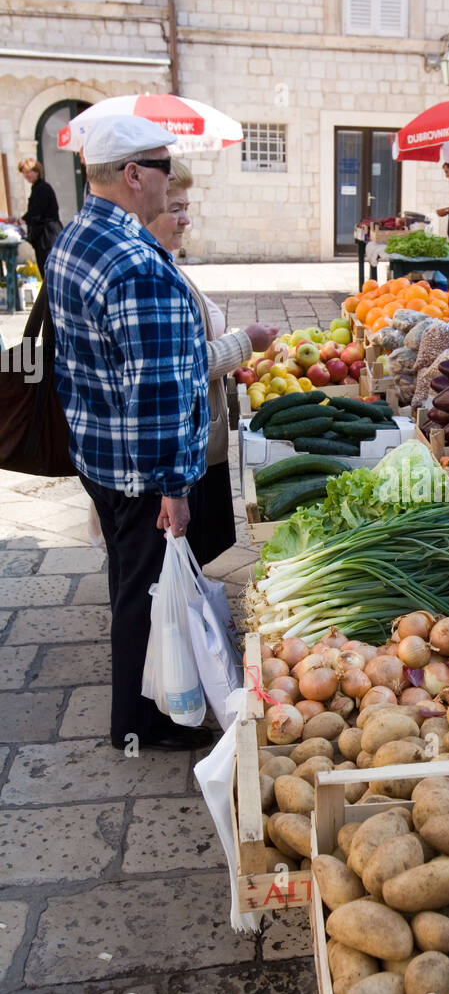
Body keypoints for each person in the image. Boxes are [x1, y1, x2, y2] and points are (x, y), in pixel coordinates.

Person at [46, 114, 213, 753]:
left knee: (128, 581)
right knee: (143, 594)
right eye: (164, 166)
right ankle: (141, 723)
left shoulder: (74, 237)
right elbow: (157, 391)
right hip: (138, 464)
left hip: (97, 448)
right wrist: (174, 486)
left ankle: (137, 713)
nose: (171, 178)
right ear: (134, 174)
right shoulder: (137, 262)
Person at [147, 159, 279, 566]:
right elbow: (181, 365)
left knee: (190, 558)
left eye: (187, 207)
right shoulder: (151, 275)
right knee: (166, 566)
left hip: (199, 440)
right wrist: (244, 343)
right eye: (175, 209)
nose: (186, 219)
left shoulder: (167, 264)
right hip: (178, 448)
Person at [17, 158, 62, 275]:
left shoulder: (43, 188)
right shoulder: (37, 187)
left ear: (37, 172)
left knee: (49, 269)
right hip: (44, 234)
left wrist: (21, 220)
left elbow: (36, 211)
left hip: (48, 234)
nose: (26, 175)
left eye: (28, 172)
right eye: (24, 172)